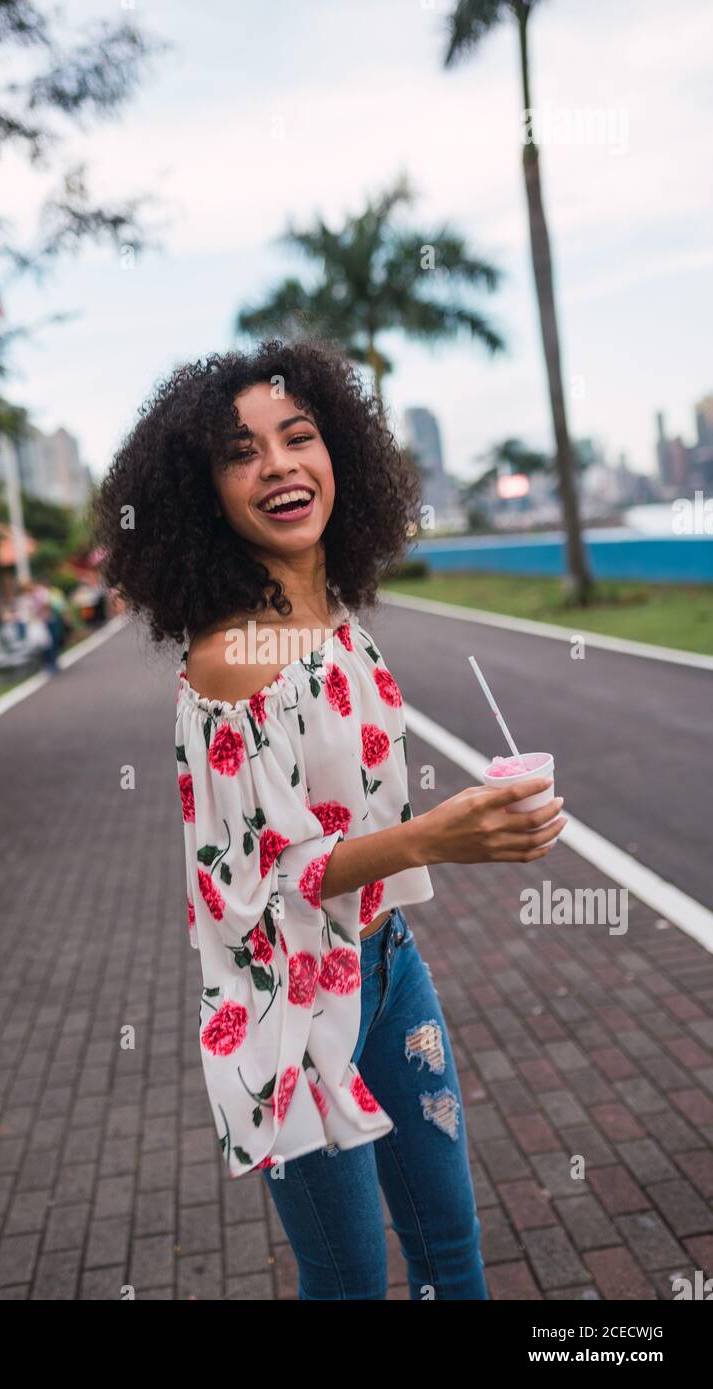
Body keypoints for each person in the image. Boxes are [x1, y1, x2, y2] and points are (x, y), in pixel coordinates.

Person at [94, 339, 566, 1301]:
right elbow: (252, 888)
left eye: (297, 436)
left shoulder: (337, 620)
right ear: (202, 493)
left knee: (450, 1250)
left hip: (388, 968)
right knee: (349, 1280)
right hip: (289, 1010)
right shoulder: (230, 665)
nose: (278, 465)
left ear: (337, 450)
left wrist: (456, 830)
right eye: (241, 453)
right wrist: (436, 838)